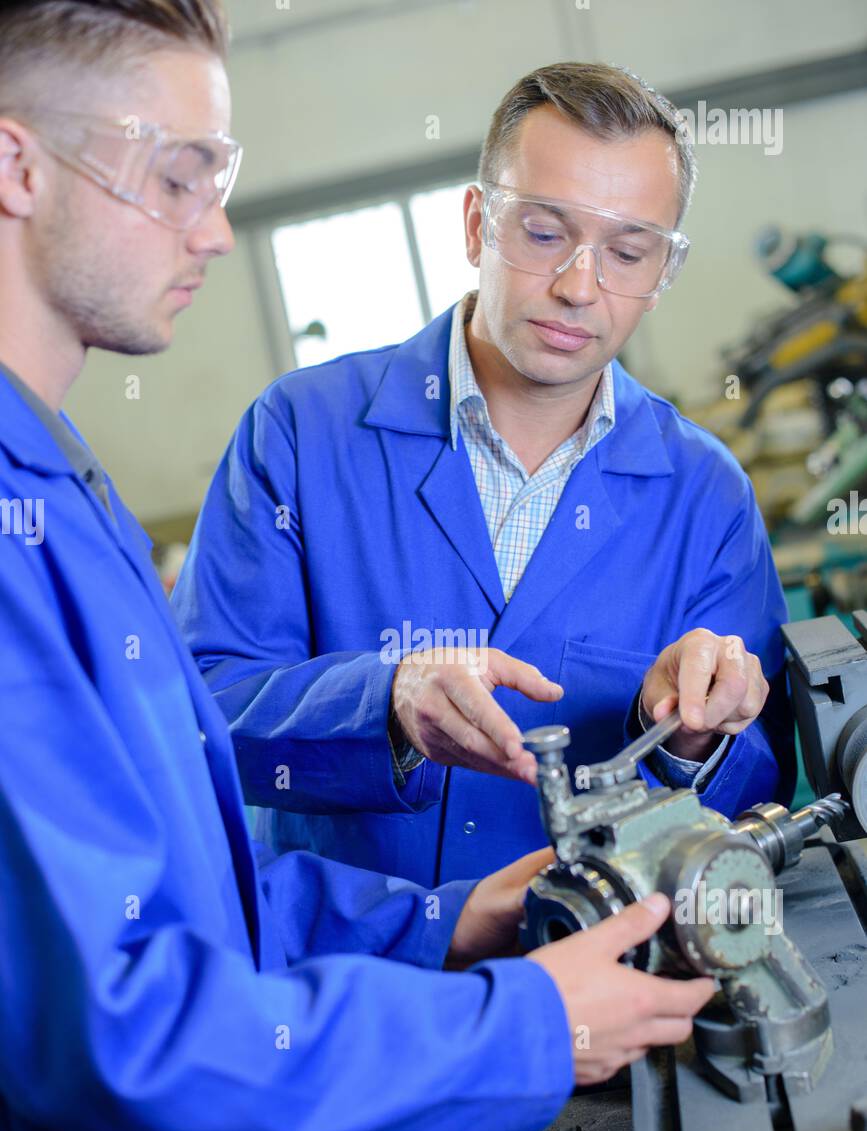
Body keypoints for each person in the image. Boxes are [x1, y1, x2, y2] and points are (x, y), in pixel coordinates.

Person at [0, 2, 715, 1131]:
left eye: (626, 250)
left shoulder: (70, 487)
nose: (216, 228)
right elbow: (121, 1014)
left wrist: (454, 921)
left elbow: (193, 887)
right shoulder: (256, 446)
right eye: (178, 175)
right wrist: (515, 1019)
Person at [174, 61, 795, 891]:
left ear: (661, 272)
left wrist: (694, 739)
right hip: (355, 984)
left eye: (627, 252)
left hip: (609, 975)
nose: (580, 287)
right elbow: (198, 713)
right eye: (543, 233)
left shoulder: (704, 492)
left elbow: (762, 786)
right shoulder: (298, 433)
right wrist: (384, 703)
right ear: (476, 226)